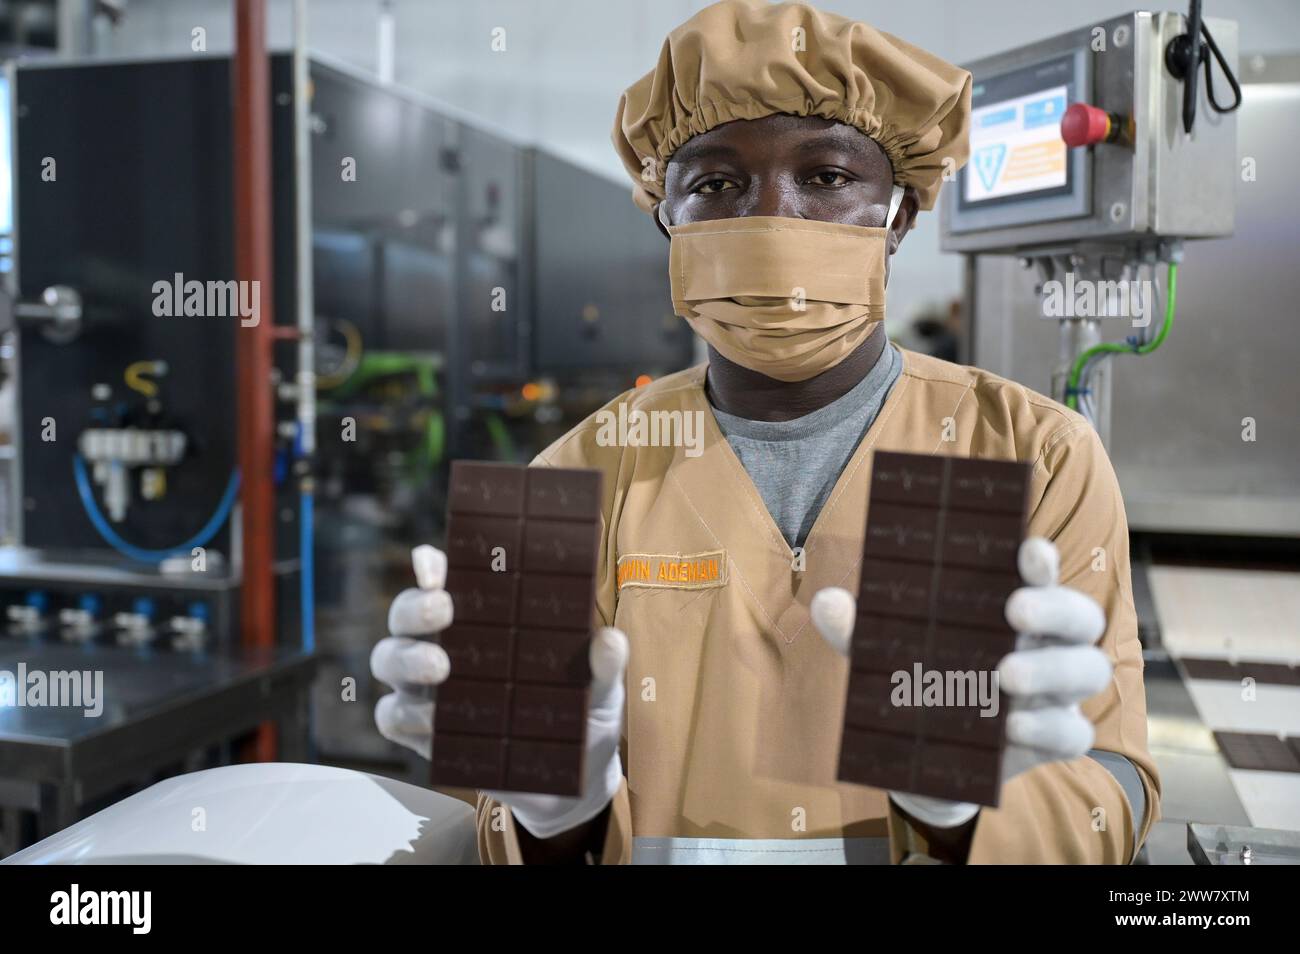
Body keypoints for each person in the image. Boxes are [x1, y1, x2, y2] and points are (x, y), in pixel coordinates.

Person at [372, 0, 1159, 864]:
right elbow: (480, 812)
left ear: (897, 216)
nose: (772, 215)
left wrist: (965, 813)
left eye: (825, 176)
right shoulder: (574, 469)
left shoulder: (1032, 454)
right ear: (666, 219)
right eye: (715, 184)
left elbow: (1114, 784)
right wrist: (555, 821)